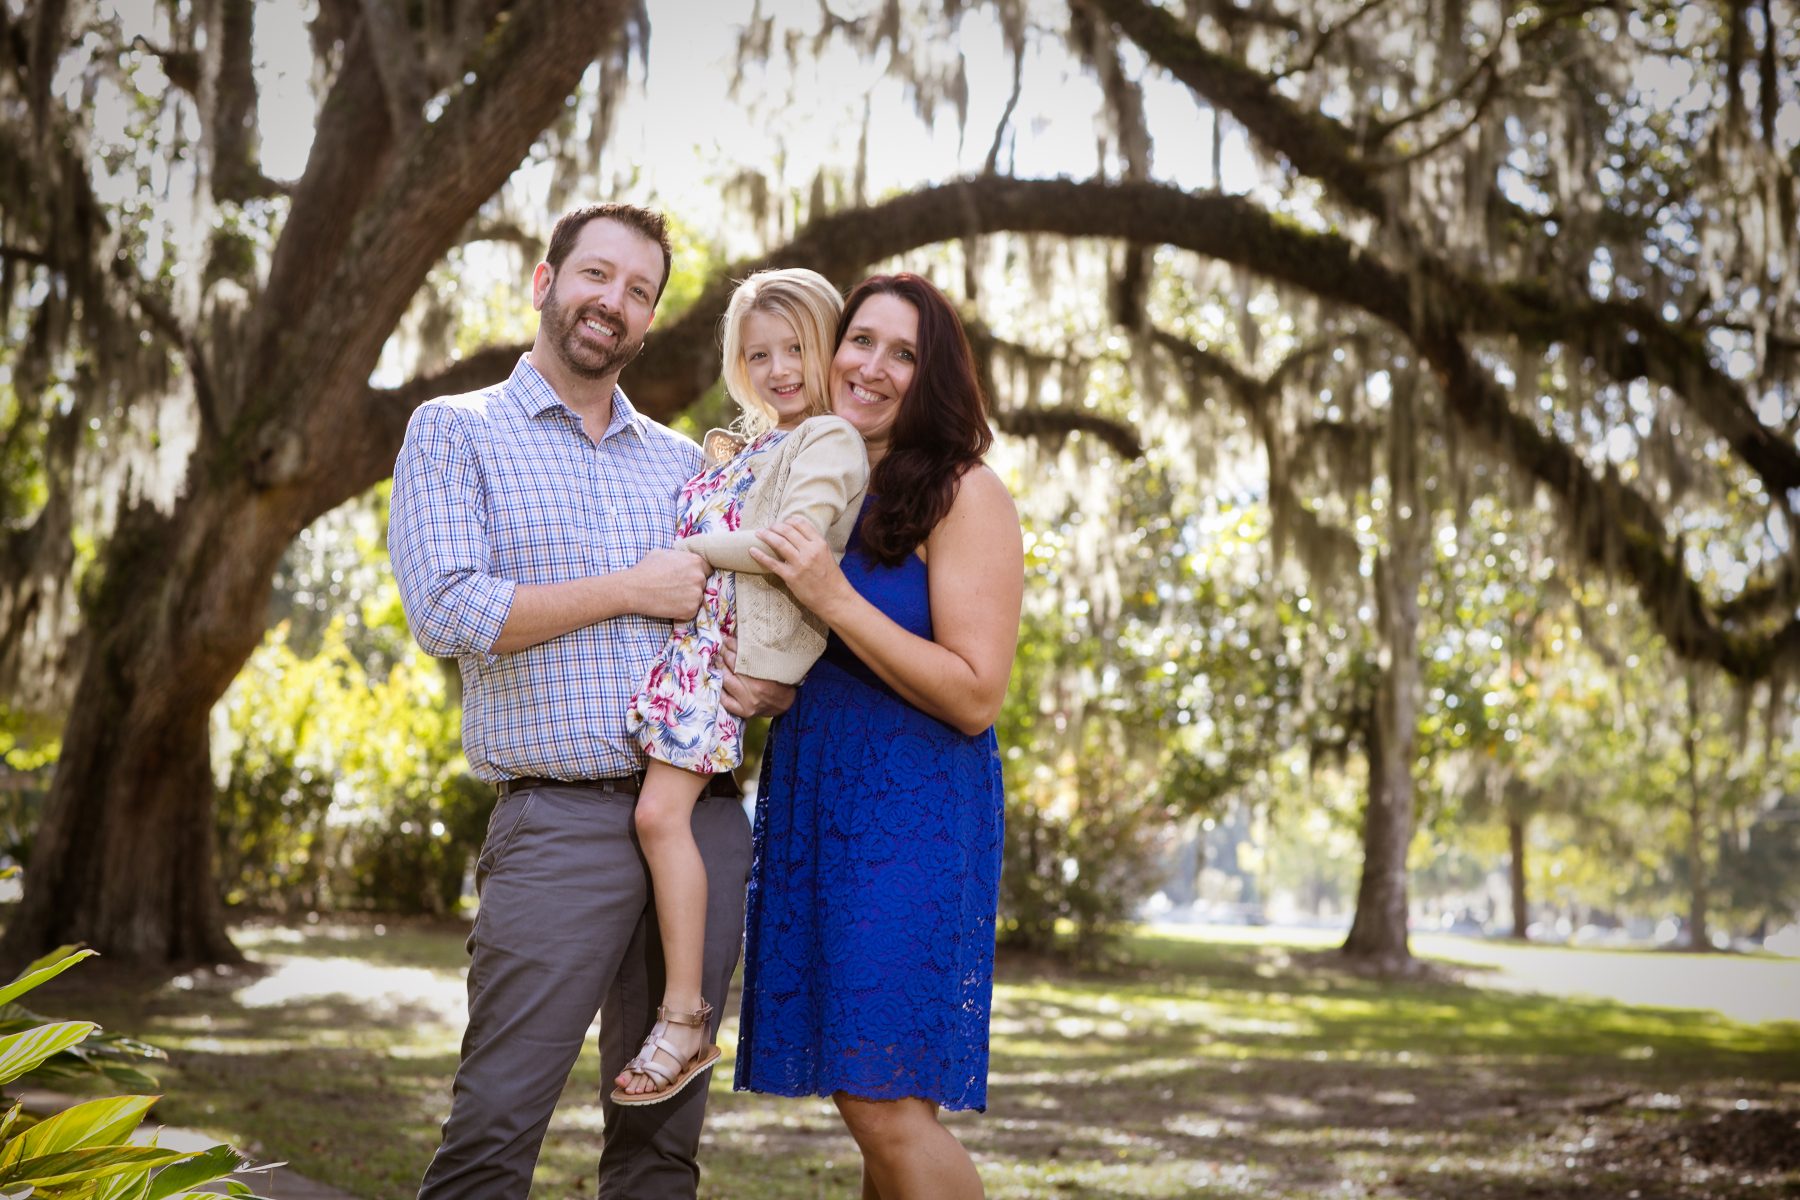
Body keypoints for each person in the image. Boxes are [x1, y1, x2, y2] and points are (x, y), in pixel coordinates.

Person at [388, 202, 791, 1199]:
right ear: (545, 281)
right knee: (493, 1132)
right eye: (596, 275)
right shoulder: (455, 432)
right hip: (557, 824)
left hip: (698, 822)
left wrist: (771, 679)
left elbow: (746, 610)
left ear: (651, 320)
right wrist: (626, 590)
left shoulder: (687, 466)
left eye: (640, 290)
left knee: (659, 1151)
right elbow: (446, 612)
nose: (614, 301)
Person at [733, 273, 1025, 1199]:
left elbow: (977, 694)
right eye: (860, 341)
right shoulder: (820, 476)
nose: (872, 367)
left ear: (933, 374)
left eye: (903, 353)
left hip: (914, 813)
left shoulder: (964, 493)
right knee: (881, 1109)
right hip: (821, 799)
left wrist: (832, 597)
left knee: (882, 1103)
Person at [611, 268, 867, 1105]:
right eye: (758, 353)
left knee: (658, 815)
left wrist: (685, 558)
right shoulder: (754, 441)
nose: (778, 368)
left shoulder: (828, 440)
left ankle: (686, 1019)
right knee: (654, 817)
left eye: (796, 347)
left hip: (720, 655)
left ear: (828, 343)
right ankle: (678, 1012)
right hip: (687, 648)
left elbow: (788, 543)